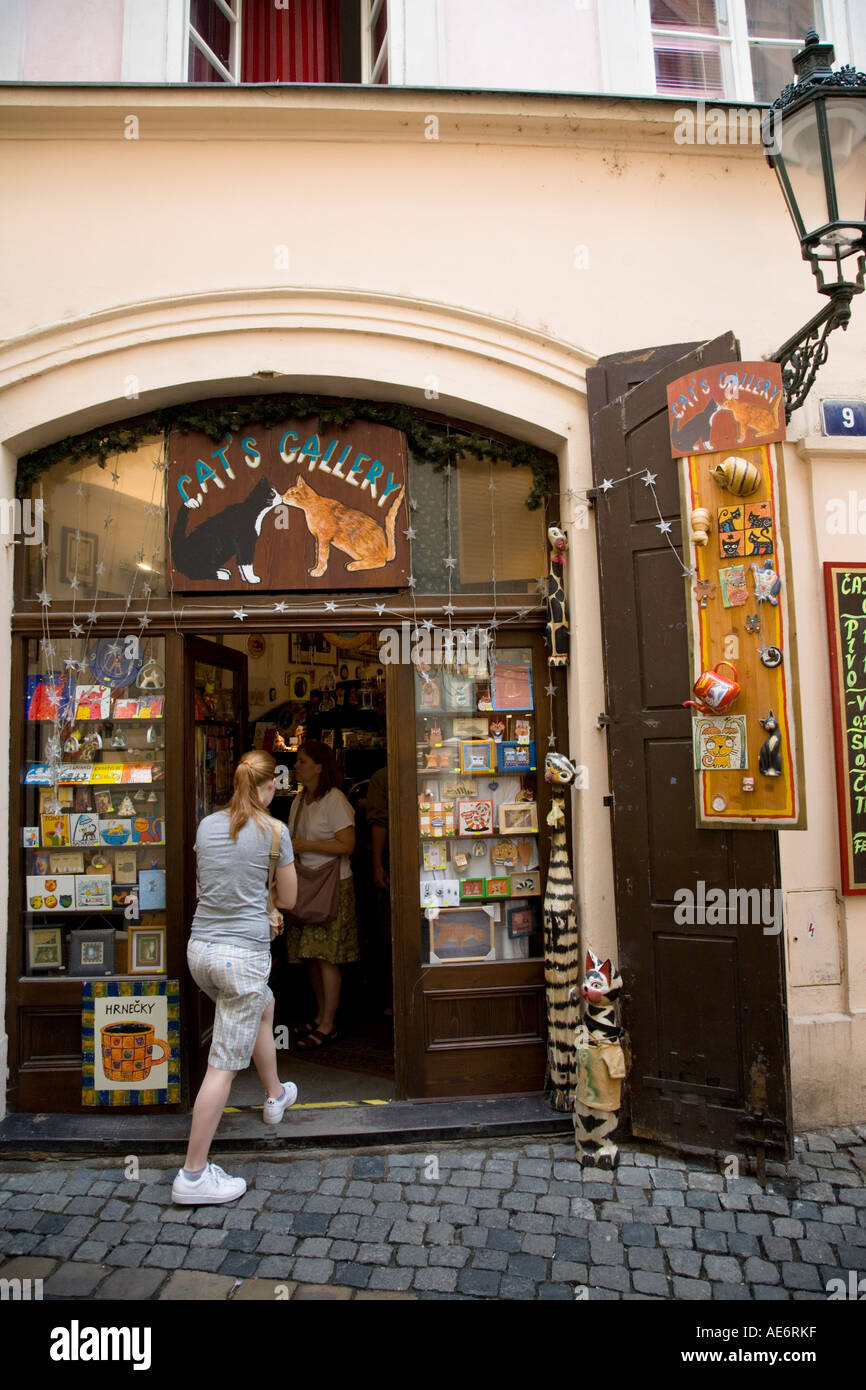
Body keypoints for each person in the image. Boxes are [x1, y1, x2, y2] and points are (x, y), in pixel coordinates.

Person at [171, 751, 298, 1206]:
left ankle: (275, 1094)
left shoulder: (207, 826)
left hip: (201, 950)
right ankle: (193, 1175)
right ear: (269, 788)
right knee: (222, 1067)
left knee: (262, 1006)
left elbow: (209, 880)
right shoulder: (275, 832)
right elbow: (290, 897)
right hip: (242, 955)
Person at [287, 740, 358, 1048]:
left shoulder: (335, 800)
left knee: (328, 956)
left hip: (332, 885)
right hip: (307, 884)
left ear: (319, 766)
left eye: (302, 761)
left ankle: (328, 1023)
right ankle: (320, 1016)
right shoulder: (299, 800)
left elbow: (347, 845)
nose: (296, 766)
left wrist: (306, 846)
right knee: (312, 956)